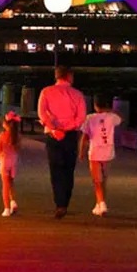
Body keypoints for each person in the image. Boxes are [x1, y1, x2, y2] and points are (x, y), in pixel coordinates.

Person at [37, 65, 86, 218]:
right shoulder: (77, 94)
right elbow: (81, 118)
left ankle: (59, 203)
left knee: (56, 169)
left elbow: (42, 113)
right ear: (69, 76)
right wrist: (67, 127)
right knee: (68, 169)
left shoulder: (46, 91)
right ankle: (65, 201)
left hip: (53, 134)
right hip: (70, 135)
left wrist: (54, 128)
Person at [79, 95, 122, 216]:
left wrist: (81, 151)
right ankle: (99, 203)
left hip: (95, 152)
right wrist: (110, 110)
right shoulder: (112, 117)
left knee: (96, 180)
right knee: (103, 179)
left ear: (95, 105)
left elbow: (85, 137)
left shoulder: (90, 118)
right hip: (108, 152)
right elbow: (120, 119)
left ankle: (101, 203)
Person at [0, 111, 21, 216]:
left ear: (6, 124)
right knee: (11, 183)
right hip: (13, 161)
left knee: (5, 185)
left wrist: (0, 160)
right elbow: (18, 149)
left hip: (4, 161)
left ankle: (6, 208)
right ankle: (13, 201)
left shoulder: (1, 136)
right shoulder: (17, 137)